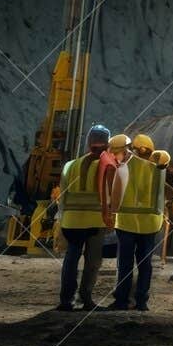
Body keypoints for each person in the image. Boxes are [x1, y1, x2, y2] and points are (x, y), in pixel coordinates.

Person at [55, 124, 115, 312]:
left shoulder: (70, 166)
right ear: (107, 143)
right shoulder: (109, 166)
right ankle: (86, 298)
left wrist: (61, 219)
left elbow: (62, 196)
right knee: (93, 261)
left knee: (71, 260)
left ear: (88, 142)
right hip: (94, 221)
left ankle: (66, 300)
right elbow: (111, 194)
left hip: (71, 221)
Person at [111, 134, 170, 312]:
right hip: (149, 224)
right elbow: (165, 157)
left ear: (133, 149)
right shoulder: (158, 166)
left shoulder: (123, 165)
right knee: (145, 265)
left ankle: (122, 300)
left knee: (125, 265)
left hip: (126, 223)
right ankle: (141, 301)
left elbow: (114, 194)